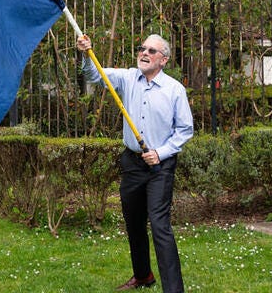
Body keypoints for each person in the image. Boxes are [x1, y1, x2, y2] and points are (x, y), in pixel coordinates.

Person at [76, 33, 194, 292]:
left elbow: (185, 130)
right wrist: (87, 53)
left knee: (160, 225)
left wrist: (161, 152)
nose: (144, 53)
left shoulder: (175, 90)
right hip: (132, 162)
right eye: (142, 48)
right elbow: (95, 75)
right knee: (133, 221)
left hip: (160, 166)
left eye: (152, 50)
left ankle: (174, 289)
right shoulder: (128, 77)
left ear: (163, 60)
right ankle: (143, 276)